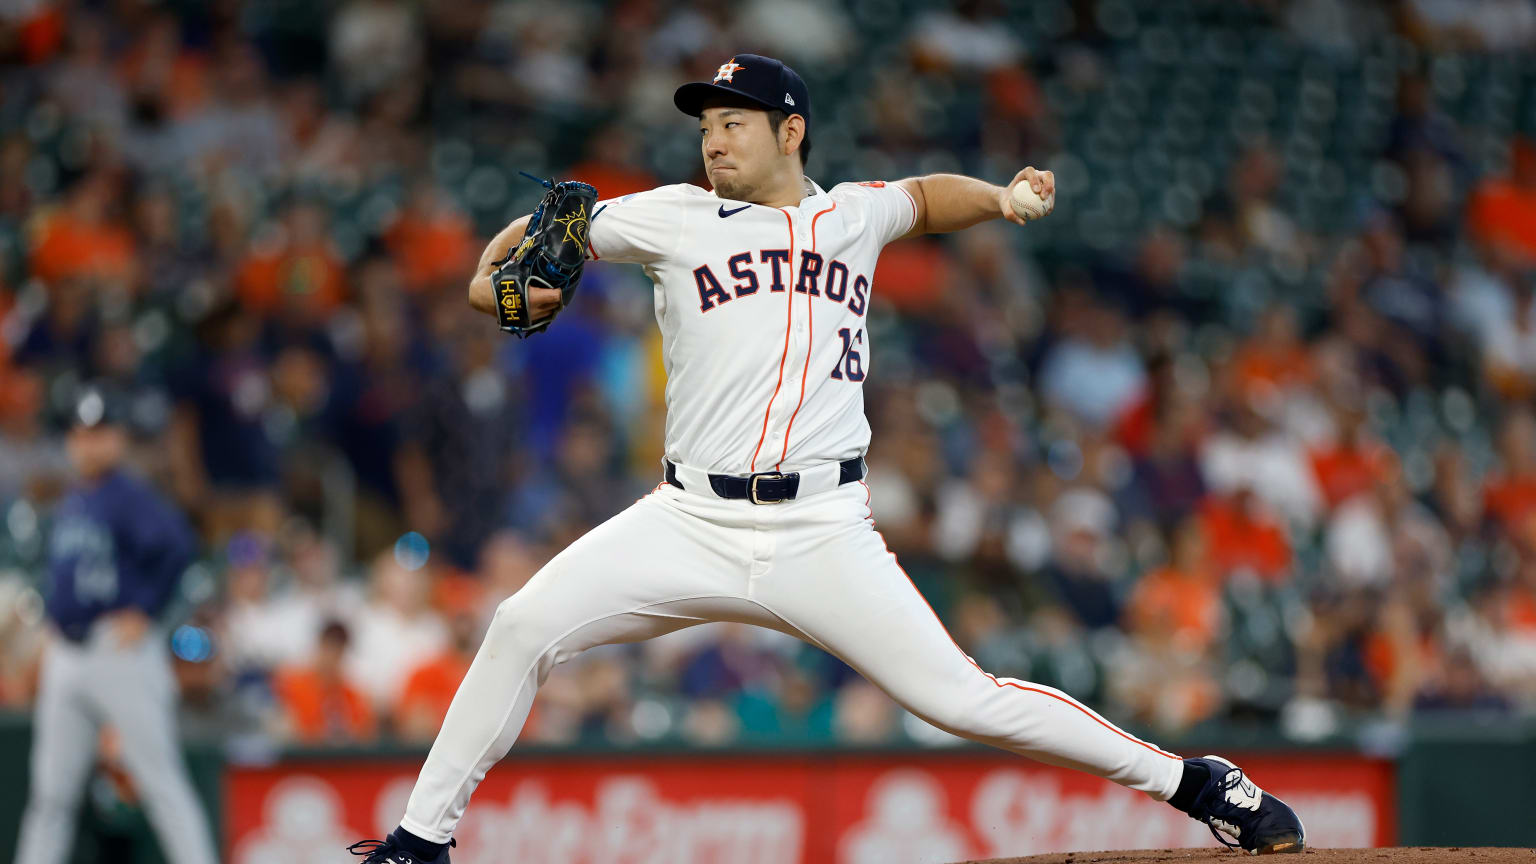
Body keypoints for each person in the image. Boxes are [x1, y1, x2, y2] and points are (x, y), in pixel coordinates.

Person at [348, 54, 1305, 863]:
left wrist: (1002, 200)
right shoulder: (673, 216)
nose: (714, 141)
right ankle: (420, 841)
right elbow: (540, 235)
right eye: (706, 126)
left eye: (734, 123)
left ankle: (1192, 782)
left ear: (791, 131)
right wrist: (489, 283)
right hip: (689, 519)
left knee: (963, 701)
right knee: (521, 624)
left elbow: (926, 198)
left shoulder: (853, 214)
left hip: (820, 528)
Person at [15, 386, 219, 864]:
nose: (89, 444)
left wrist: (145, 609)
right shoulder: (74, 498)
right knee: (50, 795)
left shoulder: (129, 496)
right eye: (81, 434)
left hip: (118, 653)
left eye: (100, 432)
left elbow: (179, 546)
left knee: (161, 784)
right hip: (68, 654)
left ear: (118, 438)